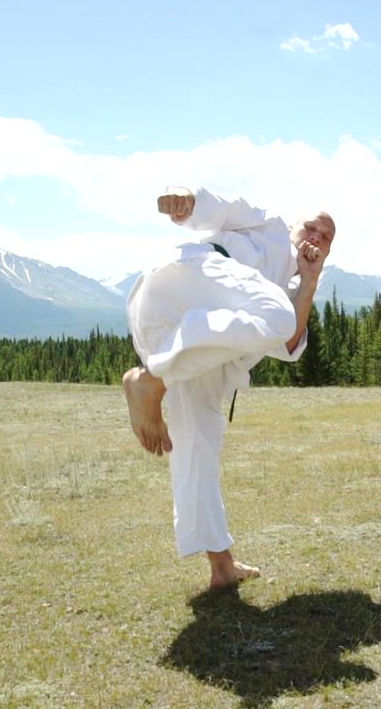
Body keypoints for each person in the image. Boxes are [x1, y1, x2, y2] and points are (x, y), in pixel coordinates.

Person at [122, 186, 335, 591]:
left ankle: (221, 566)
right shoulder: (266, 225)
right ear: (292, 225)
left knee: (199, 445)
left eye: (325, 238)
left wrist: (309, 279)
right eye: (311, 227)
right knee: (277, 313)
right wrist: (188, 201)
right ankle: (151, 380)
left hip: (183, 344)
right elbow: (221, 207)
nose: (316, 238)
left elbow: (289, 347)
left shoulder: (294, 287)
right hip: (182, 287)